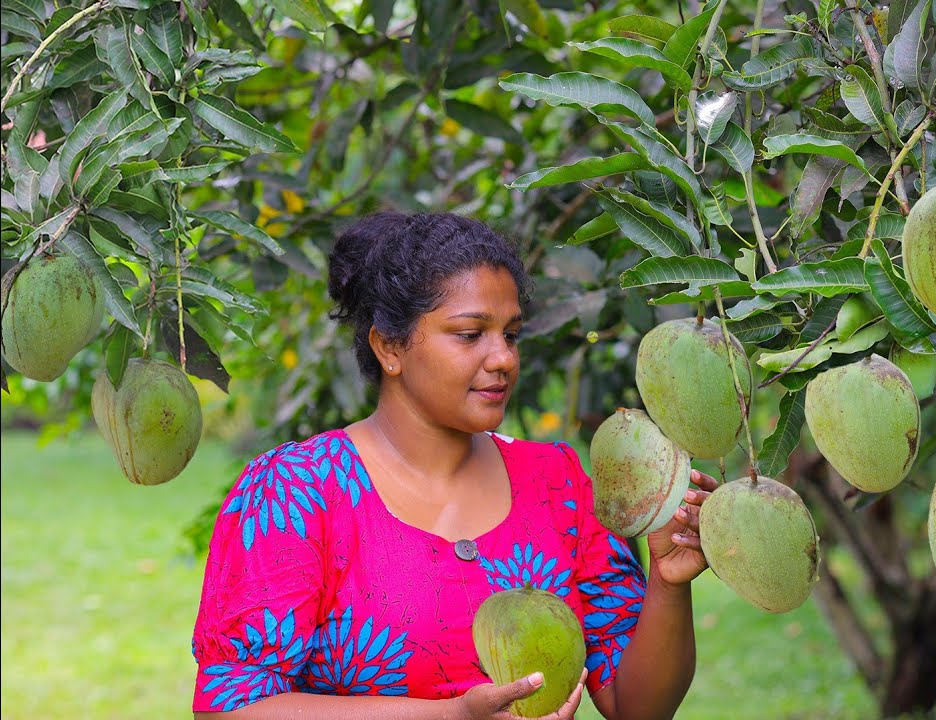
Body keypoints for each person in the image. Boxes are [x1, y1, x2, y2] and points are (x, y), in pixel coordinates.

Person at [190, 212, 716, 719]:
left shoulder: (557, 481)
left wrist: (670, 584)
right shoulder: (294, 492)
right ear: (389, 347)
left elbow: (637, 707)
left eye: (511, 334)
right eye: (470, 334)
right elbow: (231, 708)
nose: (503, 358)